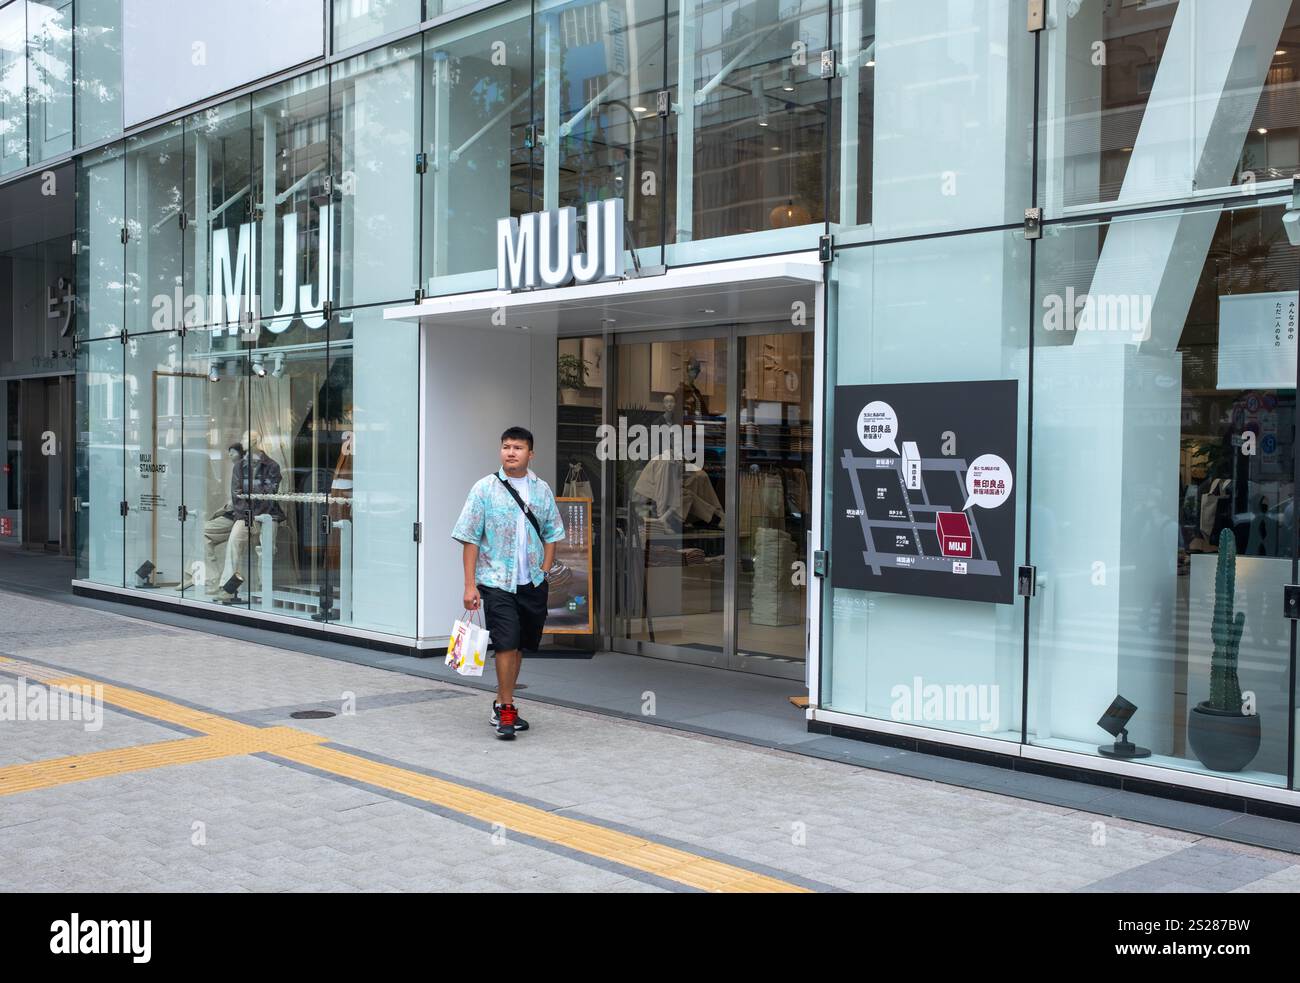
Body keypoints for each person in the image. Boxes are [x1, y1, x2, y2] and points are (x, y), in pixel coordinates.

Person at [452, 427, 565, 739]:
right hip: (496, 580)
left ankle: (502, 700)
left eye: (517, 447)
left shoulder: (541, 490)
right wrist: (469, 585)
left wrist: (543, 569)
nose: (511, 452)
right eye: (506, 447)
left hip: (531, 581)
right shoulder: (485, 489)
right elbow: (470, 538)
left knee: (521, 645)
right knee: (506, 641)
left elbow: (553, 532)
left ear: (531, 453)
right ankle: (506, 708)